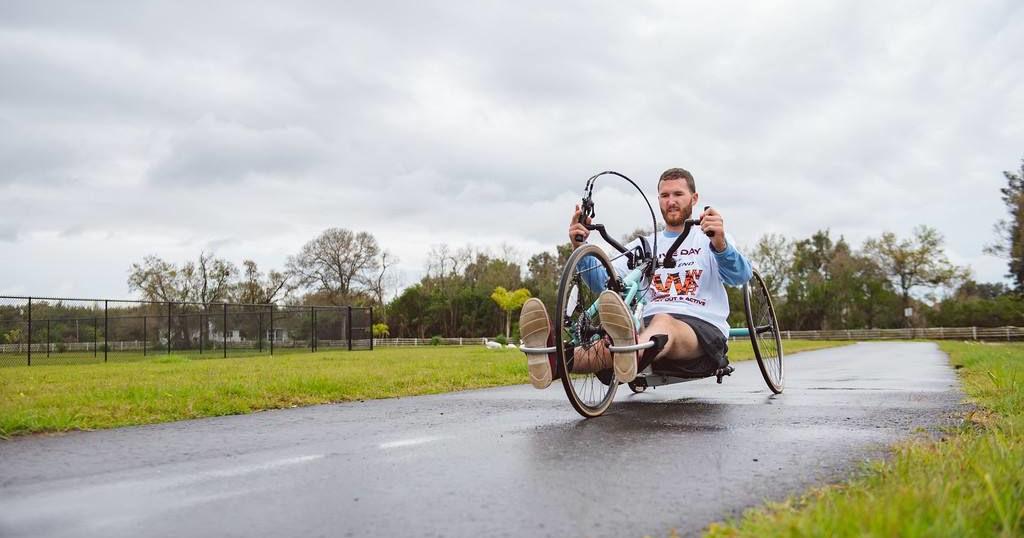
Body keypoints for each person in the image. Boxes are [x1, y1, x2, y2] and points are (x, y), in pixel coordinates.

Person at [519, 167, 753, 389]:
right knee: (607, 343)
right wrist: (581, 245)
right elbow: (604, 284)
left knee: (662, 321)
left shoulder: (710, 238)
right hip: (645, 333)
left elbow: (741, 276)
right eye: (664, 195)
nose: (671, 201)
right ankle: (555, 360)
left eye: (678, 194)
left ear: (694, 198)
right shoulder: (643, 245)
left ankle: (629, 352)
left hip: (701, 333)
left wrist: (720, 244)